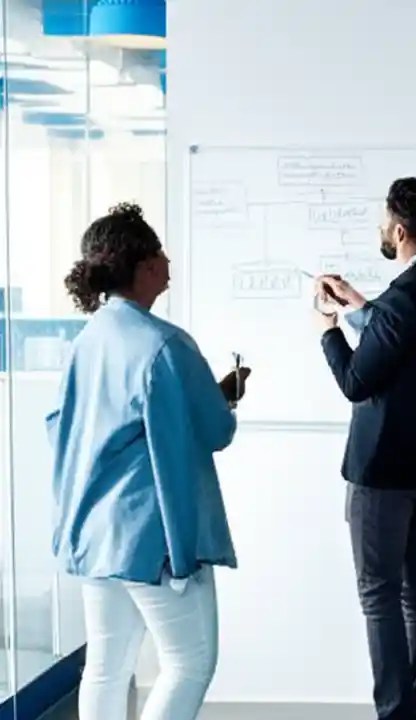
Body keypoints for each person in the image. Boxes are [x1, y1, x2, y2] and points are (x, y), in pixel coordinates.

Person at [47, 202, 249, 720]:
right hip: (150, 539)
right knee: (189, 663)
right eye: (158, 250)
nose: (166, 259)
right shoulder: (166, 345)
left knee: (106, 667)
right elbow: (216, 431)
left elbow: (62, 425)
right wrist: (223, 396)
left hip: (93, 533)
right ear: (142, 266)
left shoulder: (84, 341)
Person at [314, 177, 416, 720]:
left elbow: (358, 380)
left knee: (379, 594)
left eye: (384, 221)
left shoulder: (401, 303)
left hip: (382, 471)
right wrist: (359, 303)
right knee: (414, 587)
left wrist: (328, 329)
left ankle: (397, 713)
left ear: (399, 230)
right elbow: (400, 336)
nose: (382, 228)